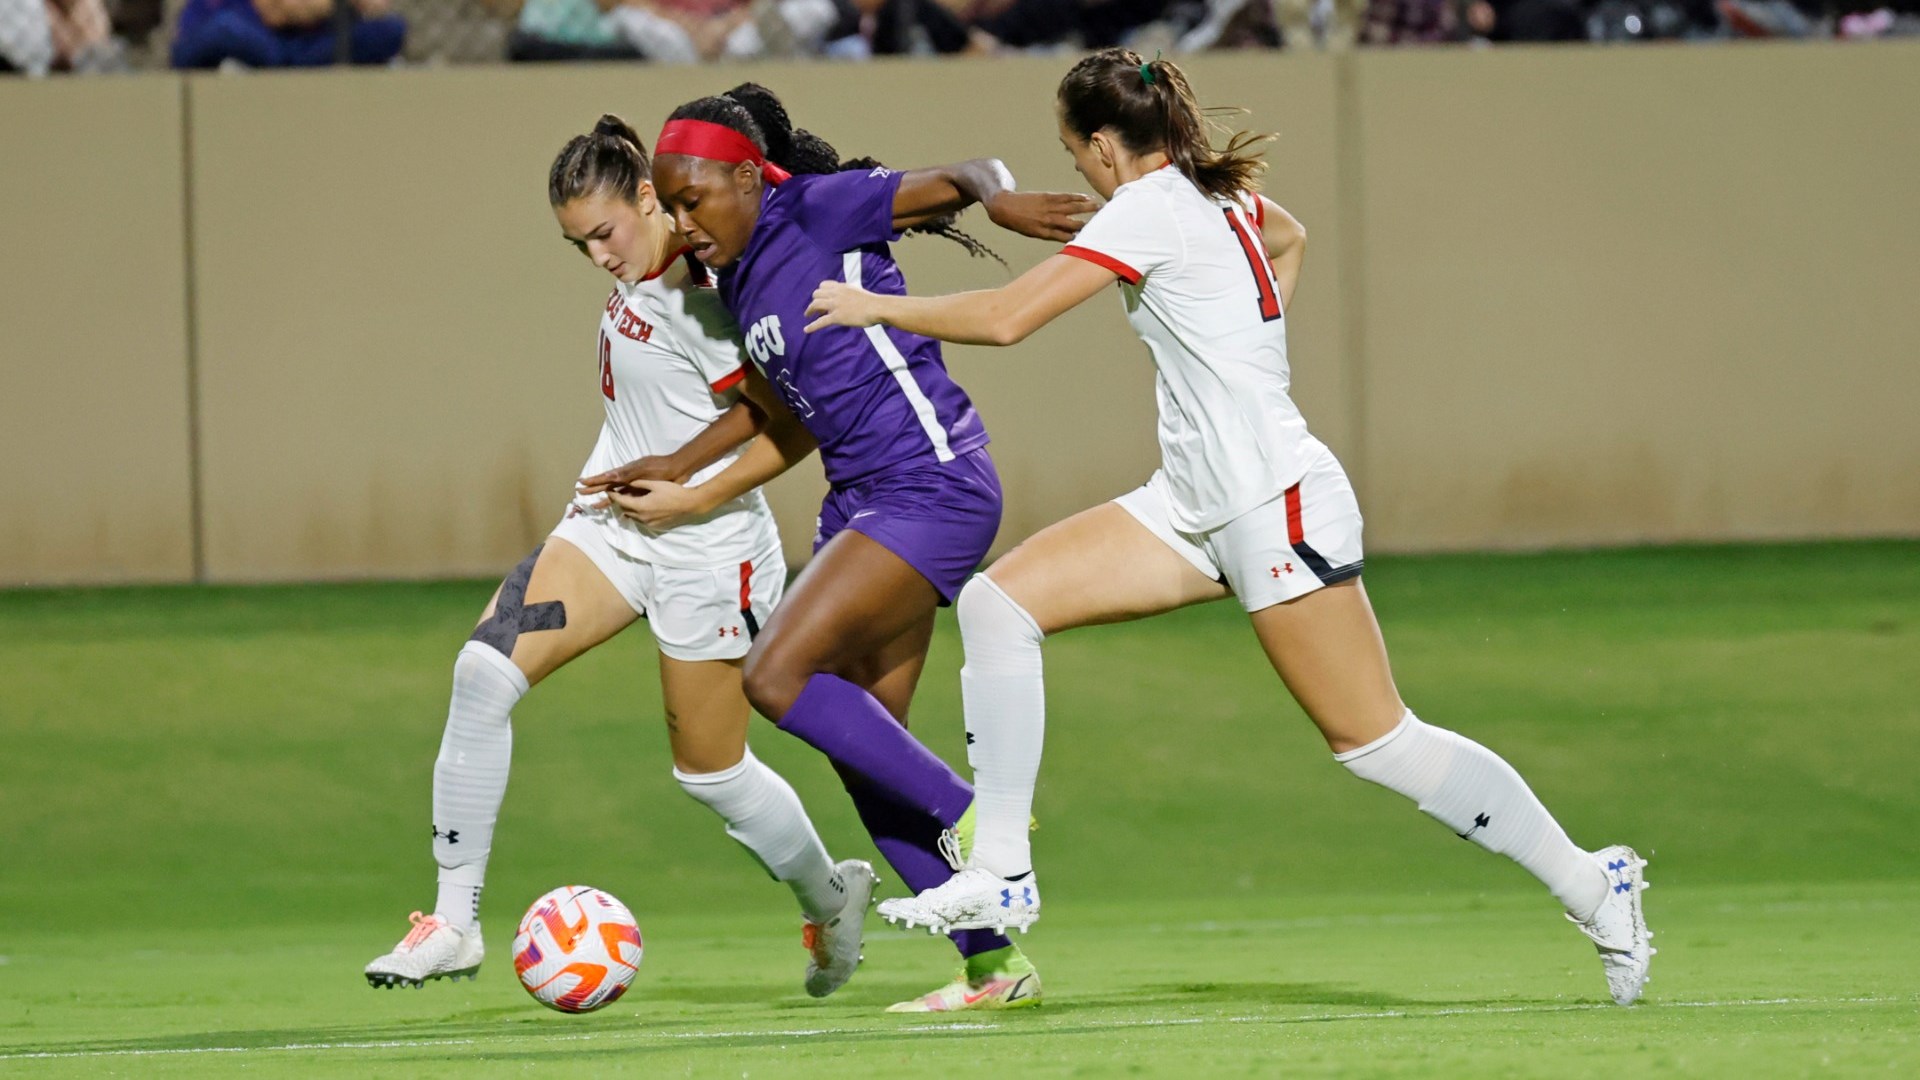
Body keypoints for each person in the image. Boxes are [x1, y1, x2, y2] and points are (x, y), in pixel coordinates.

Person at [802, 48, 1657, 1007]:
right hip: (1192, 500)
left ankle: (1596, 882)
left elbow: (1007, 319)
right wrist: (1251, 337)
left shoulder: (1155, 205)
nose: (1078, 171)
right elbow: (1291, 238)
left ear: (1101, 145)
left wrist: (873, 303)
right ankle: (1001, 865)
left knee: (1375, 742)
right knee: (1002, 605)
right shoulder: (1212, 197)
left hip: (1272, 500)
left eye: (1074, 153)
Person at [601, 82, 1094, 1013]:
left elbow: (961, 174)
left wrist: (997, 196)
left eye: (693, 198)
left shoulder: (818, 208)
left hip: (931, 484)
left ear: (749, 179)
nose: (682, 220)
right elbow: (779, 410)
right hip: (862, 502)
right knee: (866, 752)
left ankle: (984, 830)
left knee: (774, 675)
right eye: (669, 205)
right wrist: (682, 464)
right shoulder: (737, 274)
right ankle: (993, 967)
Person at [364, 115, 875, 1001]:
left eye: (604, 232)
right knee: (482, 676)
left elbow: (792, 422)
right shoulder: (646, 271)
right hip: (611, 525)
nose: (598, 255)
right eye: (578, 244)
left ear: (648, 197)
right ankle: (452, 921)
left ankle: (830, 900)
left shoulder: (714, 290)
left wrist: (693, 493)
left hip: (711, 550)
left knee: (711, 774)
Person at [170, 0, 405, 68]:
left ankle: (288, 66)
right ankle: (282, 66)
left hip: (312, 45)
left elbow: (377, 5)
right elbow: (275, 11)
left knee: (389, 30)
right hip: (251, 36)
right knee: (225, 29)